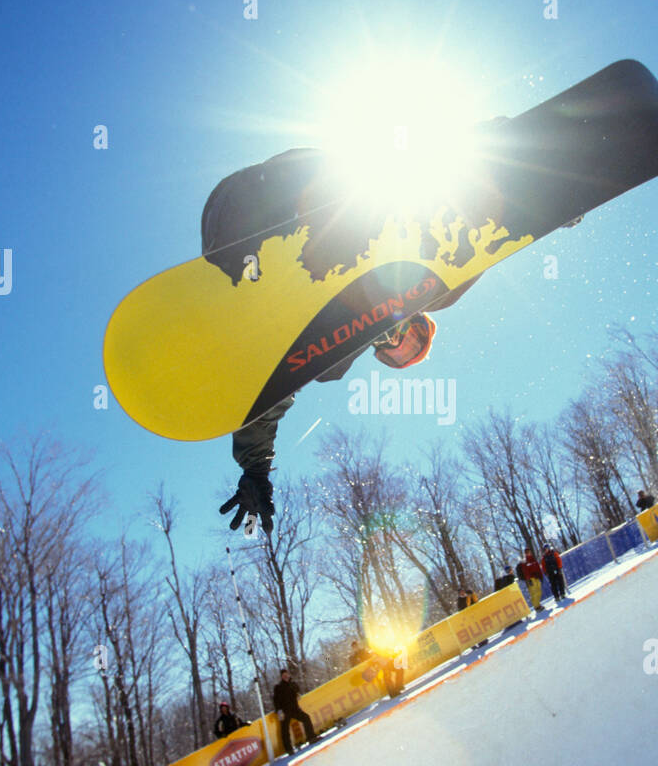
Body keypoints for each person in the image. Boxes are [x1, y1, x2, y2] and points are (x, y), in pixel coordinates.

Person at [205, 150, 481, 535]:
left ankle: (247, 266)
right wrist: (540, 202)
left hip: (231, 236)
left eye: (396, 356)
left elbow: (276, 388)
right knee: (438, 288)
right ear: (415, 318)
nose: (395, 342)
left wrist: (256, 467)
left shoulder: (333, 343)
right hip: (296, 189)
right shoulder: (413, 269)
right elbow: (454, 235)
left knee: (326, 363)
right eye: (412, 338)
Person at [272, 668, 319, 757]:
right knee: (284, 730)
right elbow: (276, 700)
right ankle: (289, 749)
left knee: (306, 718)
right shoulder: (278, 687)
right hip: (285, 711)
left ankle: (311, 737)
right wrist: (279, 710)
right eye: (284, 675)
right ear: (281, 677)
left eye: (287, 675)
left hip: (294, 709)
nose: (286, 676)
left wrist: (297, 693)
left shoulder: (292, 684)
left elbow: (297, 690)